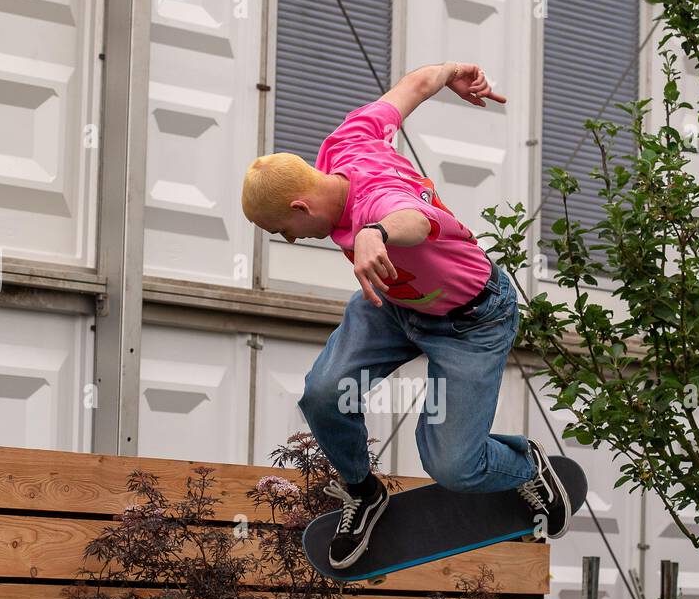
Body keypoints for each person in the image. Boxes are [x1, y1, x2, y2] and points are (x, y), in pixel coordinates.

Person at [241, 61, 570, 569]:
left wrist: (376, 232)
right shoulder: (346, 143)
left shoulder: (380, 202)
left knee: (454, 467)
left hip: (472, 320)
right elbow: (413, 86)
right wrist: (452, 71)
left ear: (302, 207)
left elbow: (414, 219)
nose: (289, 239)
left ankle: (525, 466)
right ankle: (363, 491)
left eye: (282, 229)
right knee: (323, 394)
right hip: (393, 304)